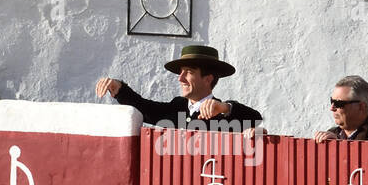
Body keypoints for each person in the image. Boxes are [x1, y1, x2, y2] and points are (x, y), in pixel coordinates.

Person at [95, 44, 262, 127]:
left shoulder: (223, 114)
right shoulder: (177, 107)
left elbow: (255, 119)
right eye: (180, 72)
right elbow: (144, 108)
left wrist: (225, 108)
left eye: (188, 72)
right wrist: (119, 89)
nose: (180, 78)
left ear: (207, 79)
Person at [315, 75, 368, 143]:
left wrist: (338, 146)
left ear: (361, 107)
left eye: (338, 103)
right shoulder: (332, 133)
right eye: (332, 101)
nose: (332, 108)